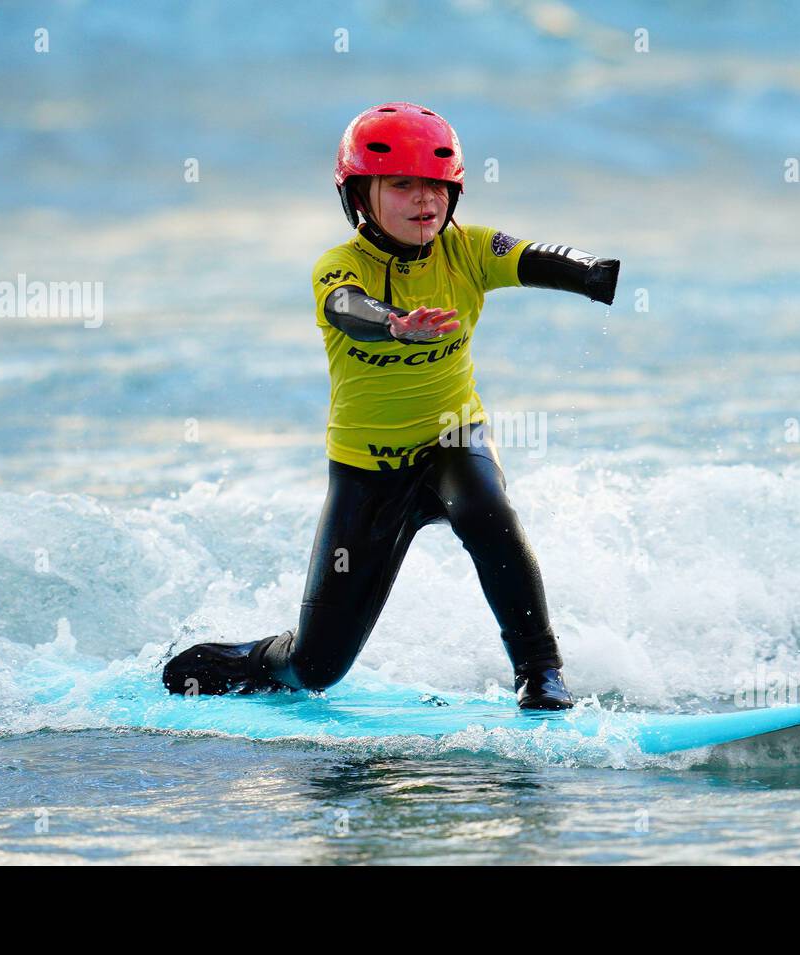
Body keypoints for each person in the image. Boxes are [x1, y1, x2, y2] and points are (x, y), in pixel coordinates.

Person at [163, 101, 620, 709]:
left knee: (487, 510)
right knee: (318, 668)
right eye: (402, 185)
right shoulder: (339, 266)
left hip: (452, 442)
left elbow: (538, 256)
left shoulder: (469, 251)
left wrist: (595, 274)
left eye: (435, 185)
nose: (423, 200)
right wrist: (395, 325)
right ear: (359, 195)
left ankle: (541, 673)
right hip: (367, 474)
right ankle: (242, 659)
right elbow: (345, 309)